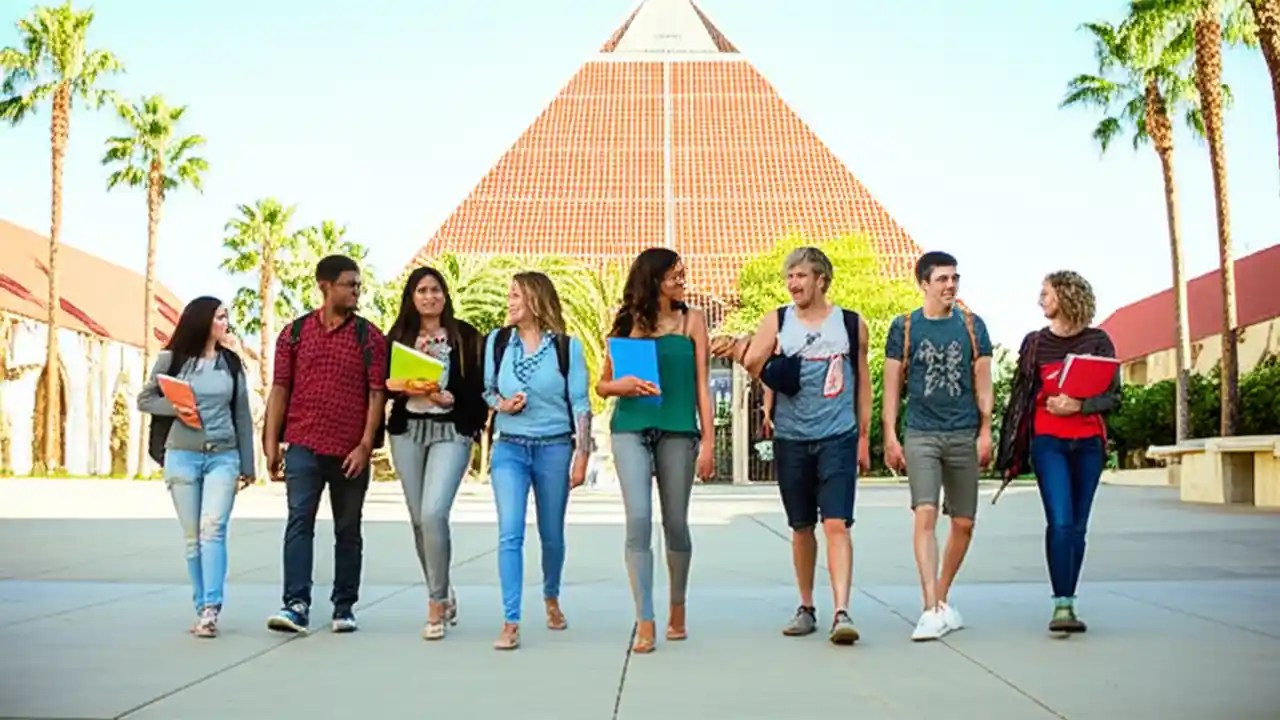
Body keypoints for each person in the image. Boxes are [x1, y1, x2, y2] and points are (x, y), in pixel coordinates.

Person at [711, 246, 870, 646]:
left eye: (801, 276)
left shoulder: (850, 324)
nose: (793, 283)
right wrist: (758, 349)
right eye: (790, 277)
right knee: (801, 527)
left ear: (821, 280)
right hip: (792, 437)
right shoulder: (778, 320)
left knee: (836, 523)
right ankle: (806, 606)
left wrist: (866, 436)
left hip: (838, 435)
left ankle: (841, 611)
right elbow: (751, 362)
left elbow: (863, 381)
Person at [596, 248, 716, 654]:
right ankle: (644, 617)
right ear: (651, 279)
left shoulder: (692, 321)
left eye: (681, 272)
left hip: (679, 429)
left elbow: (702, 383)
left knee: (676, 524)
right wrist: (623, 385)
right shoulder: (629, 322)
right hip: (631, 426)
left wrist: (709, 441)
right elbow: (603, 385)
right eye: (671, 274)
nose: (680, 279)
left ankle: (677, 606)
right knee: (639, 520)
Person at [264, 255, 388, 635]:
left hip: (350, 452)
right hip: (303, 446)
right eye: (349, 284)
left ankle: (344, 605)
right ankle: (295, 604)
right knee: (299, 522)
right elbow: (280, 389)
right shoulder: (294, 334)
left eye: (358, 285)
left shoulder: (369, 337)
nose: (356, 291)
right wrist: (271, 443)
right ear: (325, 286)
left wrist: (365, 446)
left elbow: (377, 394)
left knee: (348, 529)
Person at [996, 271, 1119, 634]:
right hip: (1048, 441)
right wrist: (1011, 453)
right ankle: (1062, 605)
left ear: (1066, 296)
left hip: (1089, 444)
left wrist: (1079, 406)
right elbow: (1019, 398)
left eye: (1045, 293)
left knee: (1078, 527)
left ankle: (1069, 595)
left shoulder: (1099, 341)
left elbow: (1114, 396)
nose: (1040, 300)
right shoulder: (1035, 342)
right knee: (1061, 521)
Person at [882, 250, 993, 642]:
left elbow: (983, 382)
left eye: (954, 278)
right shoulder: (905, 327)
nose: (950, 285)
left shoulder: (972, 325)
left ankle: (942, 596)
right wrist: (890, 433)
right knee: (924, 513)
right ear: (924, 283)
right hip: (922, 433)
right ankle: (930, 607)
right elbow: (892, 385)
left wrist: (985, 430)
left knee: (963, 522)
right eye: (943, 279)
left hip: (963, 432)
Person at [484, 271, 592, 650]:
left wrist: (582, 455)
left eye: (516, 295)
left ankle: (551, 595)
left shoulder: (567, 347)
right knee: (510, 533)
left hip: (554, 447)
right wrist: (502, 404)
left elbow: (580, 404)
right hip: (509, 447)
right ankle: (510, 620)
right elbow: (488, 391)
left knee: (551, 534)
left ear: (535, 299)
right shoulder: (498, 343)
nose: (509, 302)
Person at [137, 297, 254, 638]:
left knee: (213, 528)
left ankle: (212, 609)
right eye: (220, 317)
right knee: (193, 539)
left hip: (224, 455)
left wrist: (248, 464)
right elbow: (145, 399)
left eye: (226, 317)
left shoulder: (230, 363)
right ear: (202, 321)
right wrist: (176, 409)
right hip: (182, 455)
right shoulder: (172, 360)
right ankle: (200, 605)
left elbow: (242, 414)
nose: (225, 324)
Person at [385, 266, 486, 640]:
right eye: (422, 290)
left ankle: (435, 602)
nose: (430, 296)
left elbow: (478, 391)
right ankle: (442, 587)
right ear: (411, 297)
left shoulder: (466, 337)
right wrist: (399, 383)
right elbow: (382, 383)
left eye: (436, 289)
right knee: (417, 519)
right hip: (407, 430)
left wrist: (451, 398)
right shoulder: (398, 337)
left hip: (450, 431)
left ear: (445, 295)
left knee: (433, 513)